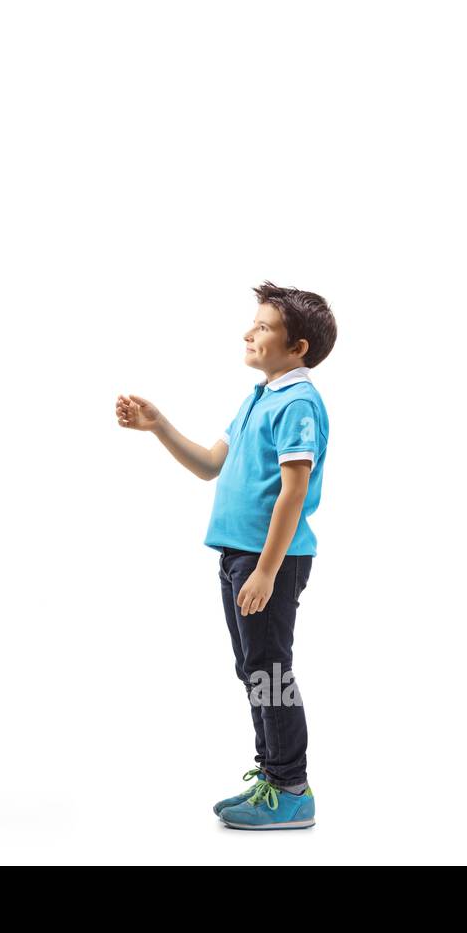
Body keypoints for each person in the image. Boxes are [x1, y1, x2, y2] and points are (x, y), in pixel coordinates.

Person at [115, 281, 336, 830]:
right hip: (241, 557)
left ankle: (291, 787)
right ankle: (273, 776)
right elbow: (211, 464)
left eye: (263, 327)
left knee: (271, 669)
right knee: (255, 668)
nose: (249, 332)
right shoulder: (260, 397)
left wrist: (265, 568)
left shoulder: (299, 402)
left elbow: (293, 491)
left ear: (299, 346)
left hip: (270, 561)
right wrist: (158, 426)